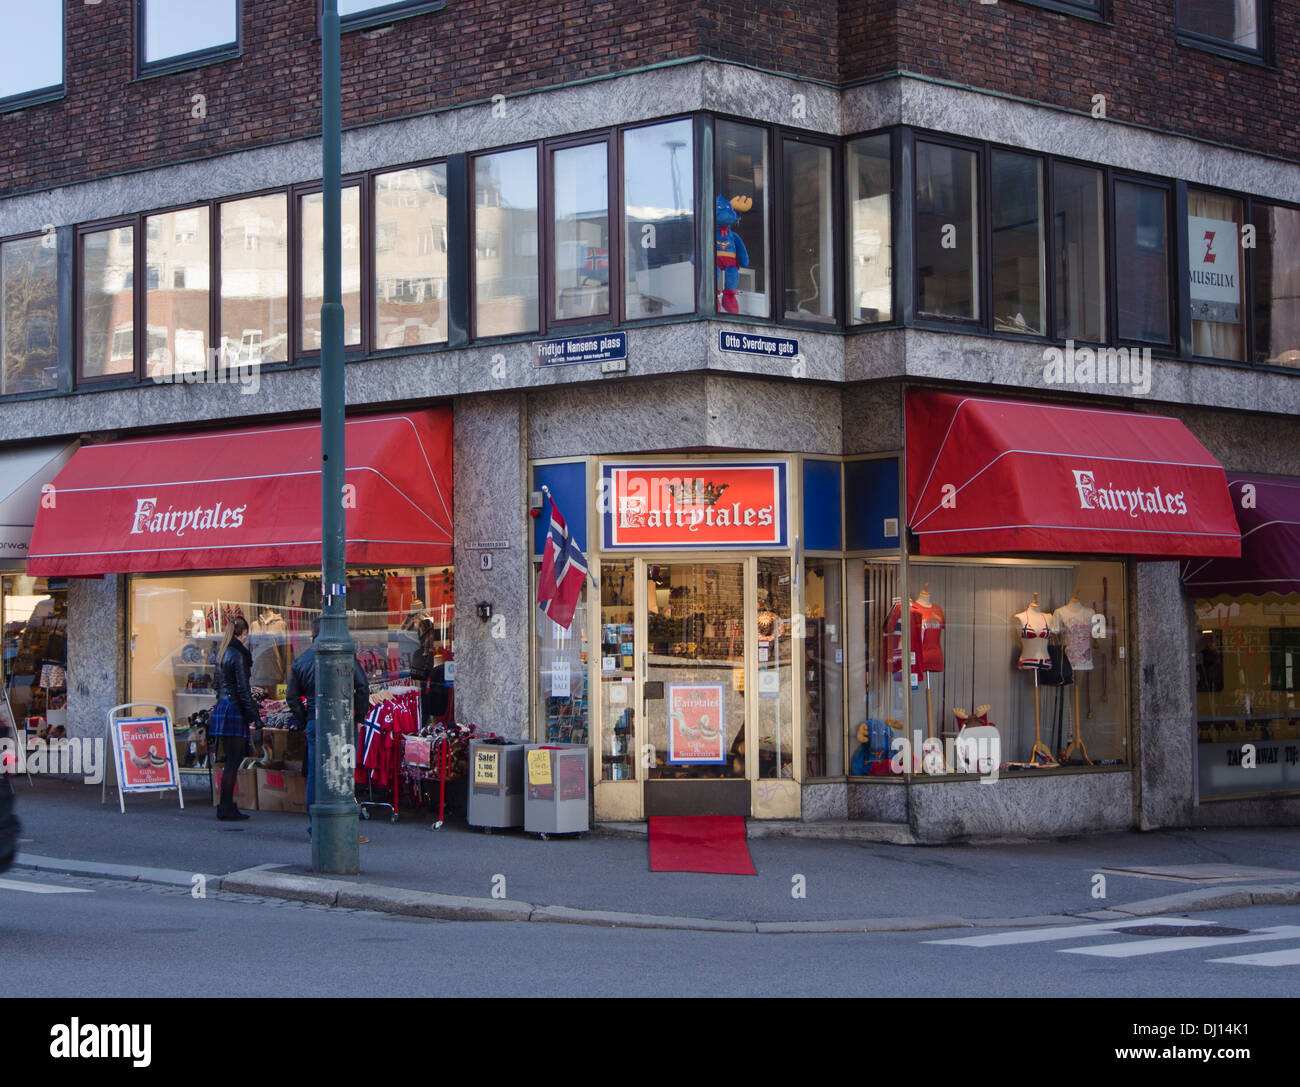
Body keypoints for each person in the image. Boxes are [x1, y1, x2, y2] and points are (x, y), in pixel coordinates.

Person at [287, 617, 370, 836]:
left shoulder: (301, 661)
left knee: (316, 772)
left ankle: (317, 825)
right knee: (345, 769)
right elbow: (362, 687)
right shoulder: (344, 656)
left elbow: (292, 698)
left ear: (312, 635)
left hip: (315, 720)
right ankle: (343, 823)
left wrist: (305, 718)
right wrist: (359, 717)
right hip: (343, 721)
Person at [210, 617, 259, 821]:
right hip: (234, 709)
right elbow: (243, 689)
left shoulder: (222, 652)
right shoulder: (238, 654)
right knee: (233, 761)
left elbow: (216, 685)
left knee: (230, 759)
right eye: (247, 635)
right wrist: (254, 716)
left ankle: (226, 805)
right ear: (244, 633)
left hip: (223, 707)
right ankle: (226, 807)